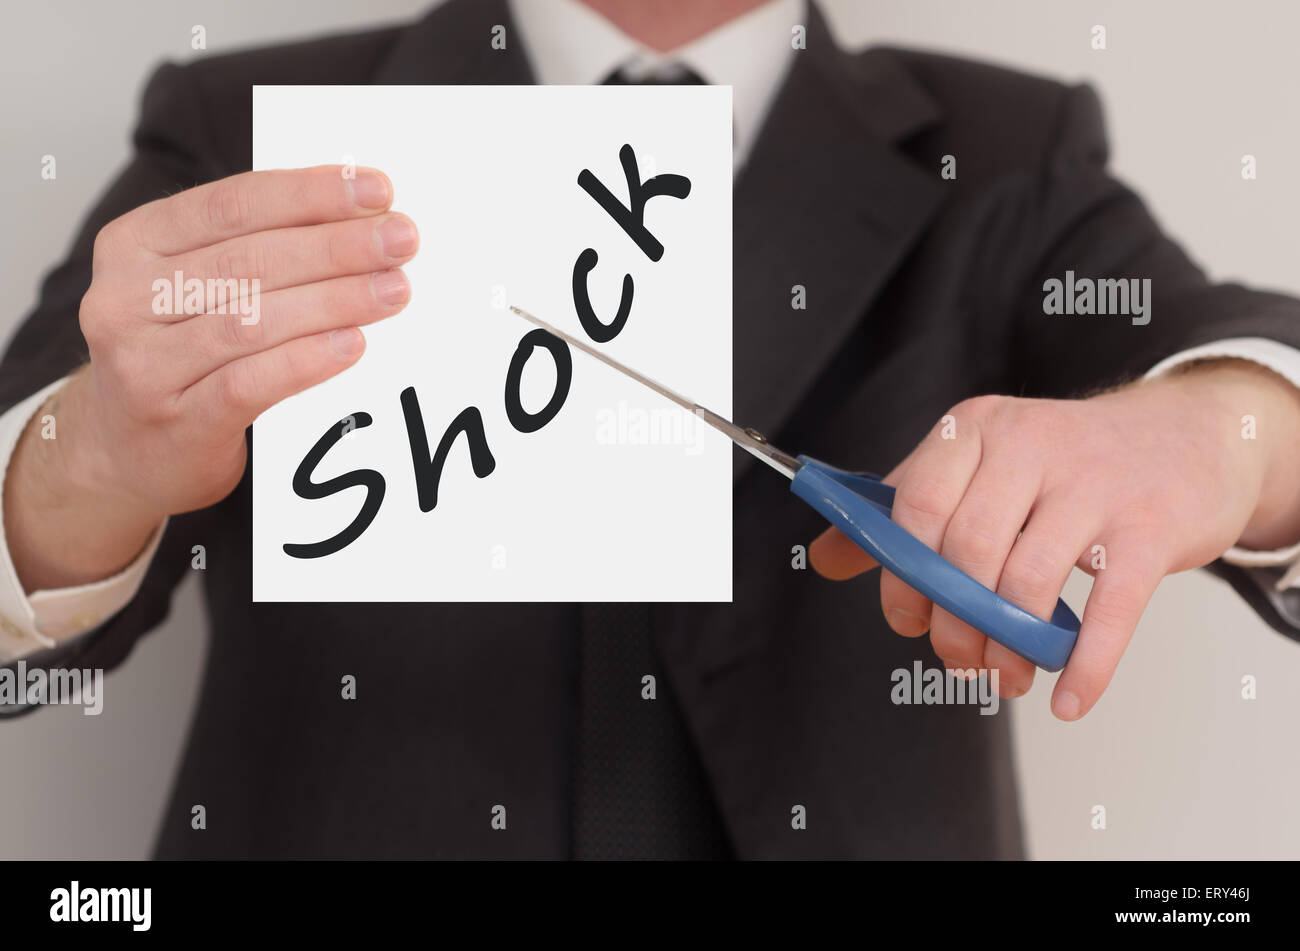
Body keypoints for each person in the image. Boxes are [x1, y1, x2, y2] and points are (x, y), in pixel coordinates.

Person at [1, 0, 1298, 859]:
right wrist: (101, 456)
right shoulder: (246, 127)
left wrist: (1216, 433)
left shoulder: (1006, 152)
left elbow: (1240, 358)